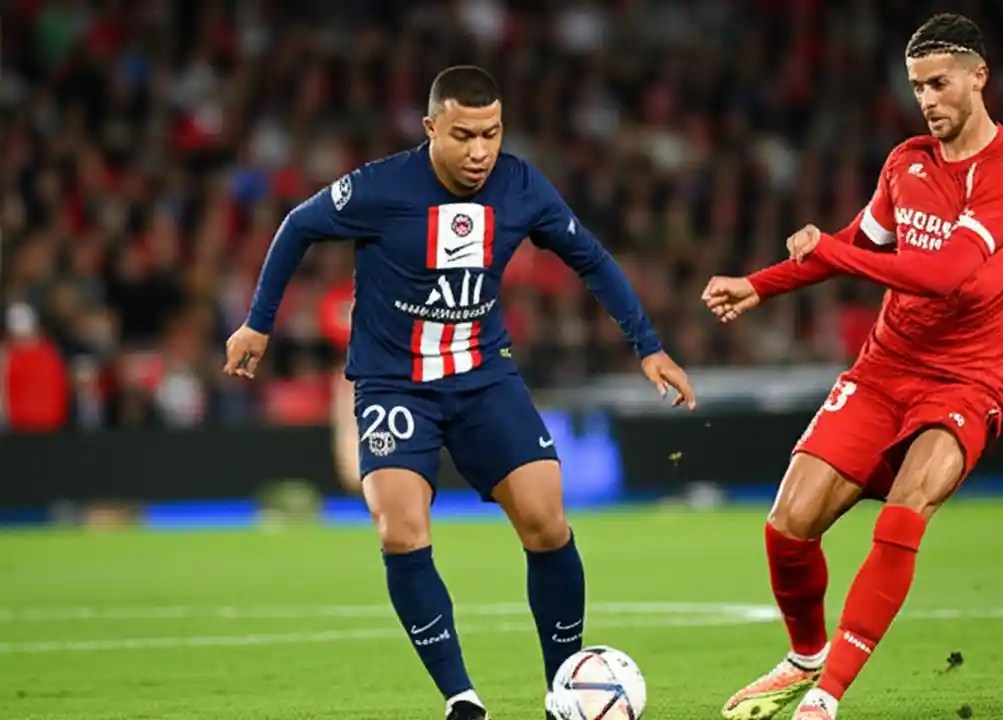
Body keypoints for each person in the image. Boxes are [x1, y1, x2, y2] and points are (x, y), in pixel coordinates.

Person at [224, 65, 696, 720]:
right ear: (431, 129)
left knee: (547, 521)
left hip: (482, 379)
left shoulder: (522, 185)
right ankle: (462, 698)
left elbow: (589, 256)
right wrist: (258, 323)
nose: (480, 152)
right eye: (464, 135)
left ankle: (567, 688)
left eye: (492, 134)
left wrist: (648, 345)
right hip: (394, 384)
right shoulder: (380, 186)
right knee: (400, 530)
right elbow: (297, 226)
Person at [702, 14, 1003, 720]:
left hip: (968, 377)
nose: (927, 99)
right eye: (917, 86)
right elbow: (864, 241)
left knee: (908, 509)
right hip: (885, 367)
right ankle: (805, 657)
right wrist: (759, 284)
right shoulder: (906, 161)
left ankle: (827, 699)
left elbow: (947, 274)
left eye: (939, 83)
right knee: (787, 525)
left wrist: (829, 251)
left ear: (979, 77)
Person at [316, 275, 361, 492]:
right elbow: (331, 329)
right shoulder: (337, 294)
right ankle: (360, 489)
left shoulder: (385, 289)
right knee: (349, 438)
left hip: (385, 372)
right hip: (347, 374)